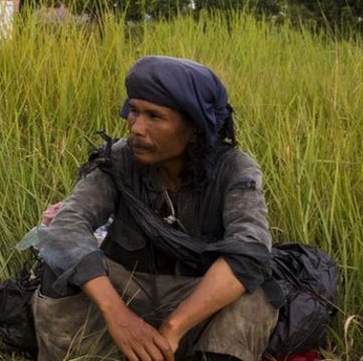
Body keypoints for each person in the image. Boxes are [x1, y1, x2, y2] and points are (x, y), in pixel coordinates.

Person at [30, 56, 279, 361]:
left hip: (194, 305)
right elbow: (68, 225)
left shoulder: (234, 170)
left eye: (154, 116)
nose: (136, 128)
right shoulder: (119, 160)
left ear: (194, 127)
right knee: (60, 266)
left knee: (257, 295)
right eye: (133, 111)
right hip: (128, 295)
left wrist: (173, 328)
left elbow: (249, 251)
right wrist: (119, 316)